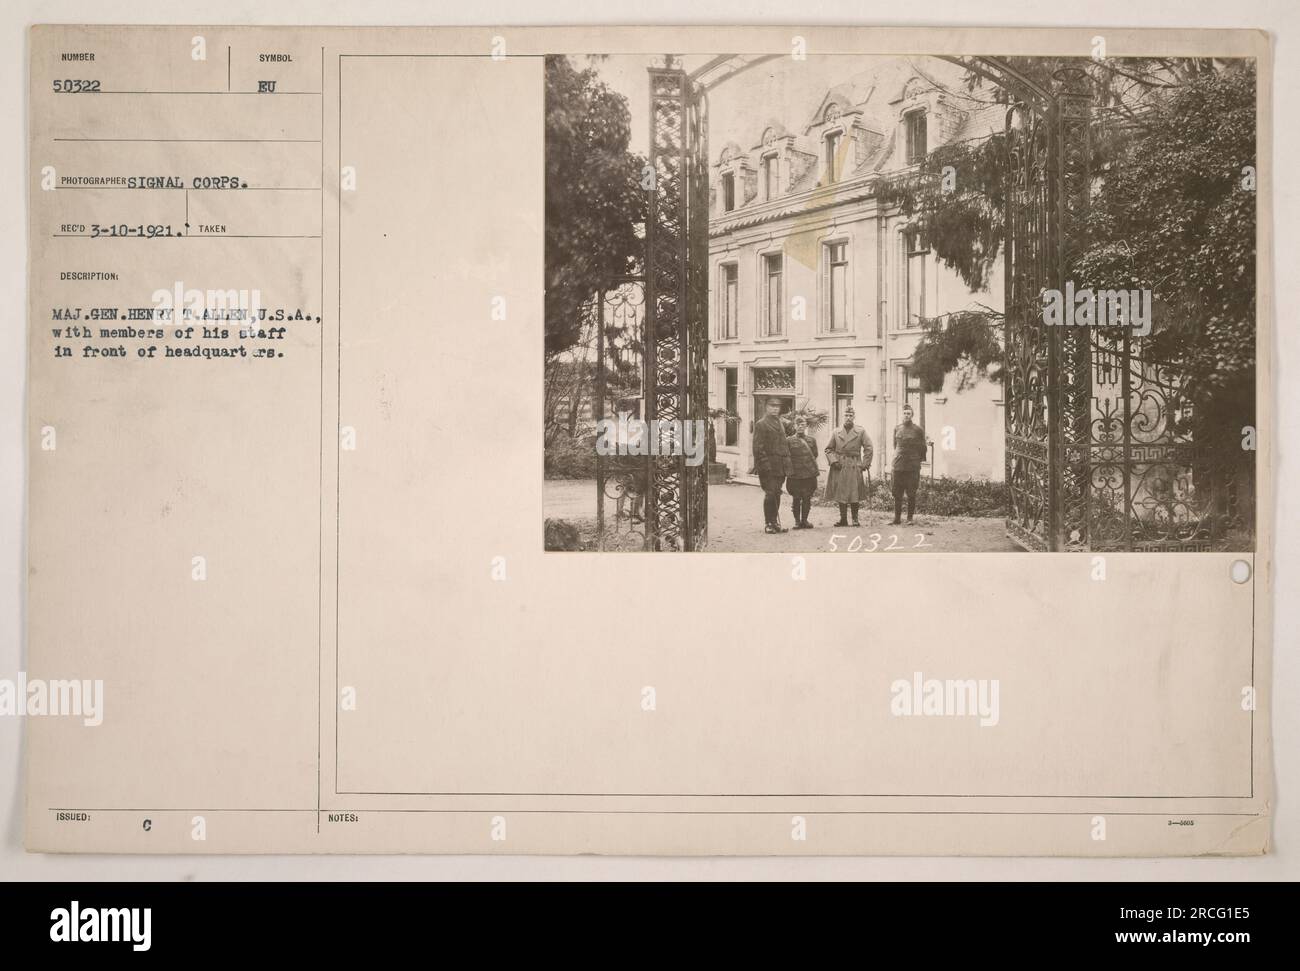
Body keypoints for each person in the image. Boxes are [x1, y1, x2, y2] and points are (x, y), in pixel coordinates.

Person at [823, 407, 873, 527]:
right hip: (840, 465)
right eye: (846, 415)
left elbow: (869, 447)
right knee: (841, 492)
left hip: (854, 464)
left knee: (854, 492)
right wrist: (834, 461)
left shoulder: (861, 431)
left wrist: (865, 464)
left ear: (854, 417)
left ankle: (855, 519)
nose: (848, 418)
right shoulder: (836, 432)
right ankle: (843, 519)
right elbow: (828, 449)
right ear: (843, 416)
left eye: (851, 415)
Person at [751, 398, 793, 533]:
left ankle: (775, 522)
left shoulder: (780, 422)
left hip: (780, 466)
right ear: (766, 407)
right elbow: (758, 448)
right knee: (770, 494)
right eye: (772, 406)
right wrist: (765, 466)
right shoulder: (761, 424)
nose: (775, 409)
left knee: (777, 493)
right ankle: (768, 523)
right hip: (768, 467)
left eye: (777, 406)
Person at [891, 403, 928, 525]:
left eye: (909, 413)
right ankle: (897, 519)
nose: (906, 415)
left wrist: (917, 460)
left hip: (912, 466)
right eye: (905, 413)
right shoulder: (897, 428)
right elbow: (895, 446)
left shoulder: (918, 430)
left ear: (912, 415)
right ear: (902, 414)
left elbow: (923, 447)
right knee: (897, 493)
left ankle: (910, 518)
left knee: (911, 492)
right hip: (899, 465)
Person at [784, 415, 820, 530]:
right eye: (798, 425)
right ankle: (797, 521)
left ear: (805, 426)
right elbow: (786, 457)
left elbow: (815, 454)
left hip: (809, 474)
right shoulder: (788, 440)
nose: (800, 427)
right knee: (796, 498)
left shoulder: (811, 440)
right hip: (795, 475)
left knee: (807, 497)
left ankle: (805, 520)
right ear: (794, 426)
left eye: (802, 425)